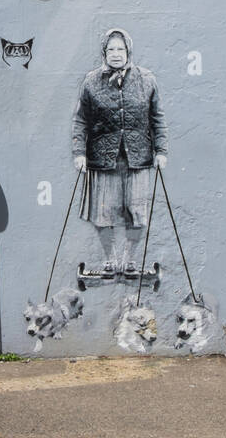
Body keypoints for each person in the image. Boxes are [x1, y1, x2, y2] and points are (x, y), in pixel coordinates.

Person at [71, 27, 167, 275]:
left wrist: (161, 151)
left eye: (120, 49)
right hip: (102, 159)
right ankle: (110, 259)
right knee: (104, 212)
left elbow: (157, 118)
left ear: (128, 51)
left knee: (137, 211)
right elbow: (81, 120)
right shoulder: (91, 81)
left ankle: (130, 259)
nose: (116, 54)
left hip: (139, 158)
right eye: (111, 49)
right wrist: (79, 153)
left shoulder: (146, 79)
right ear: (104, 52)